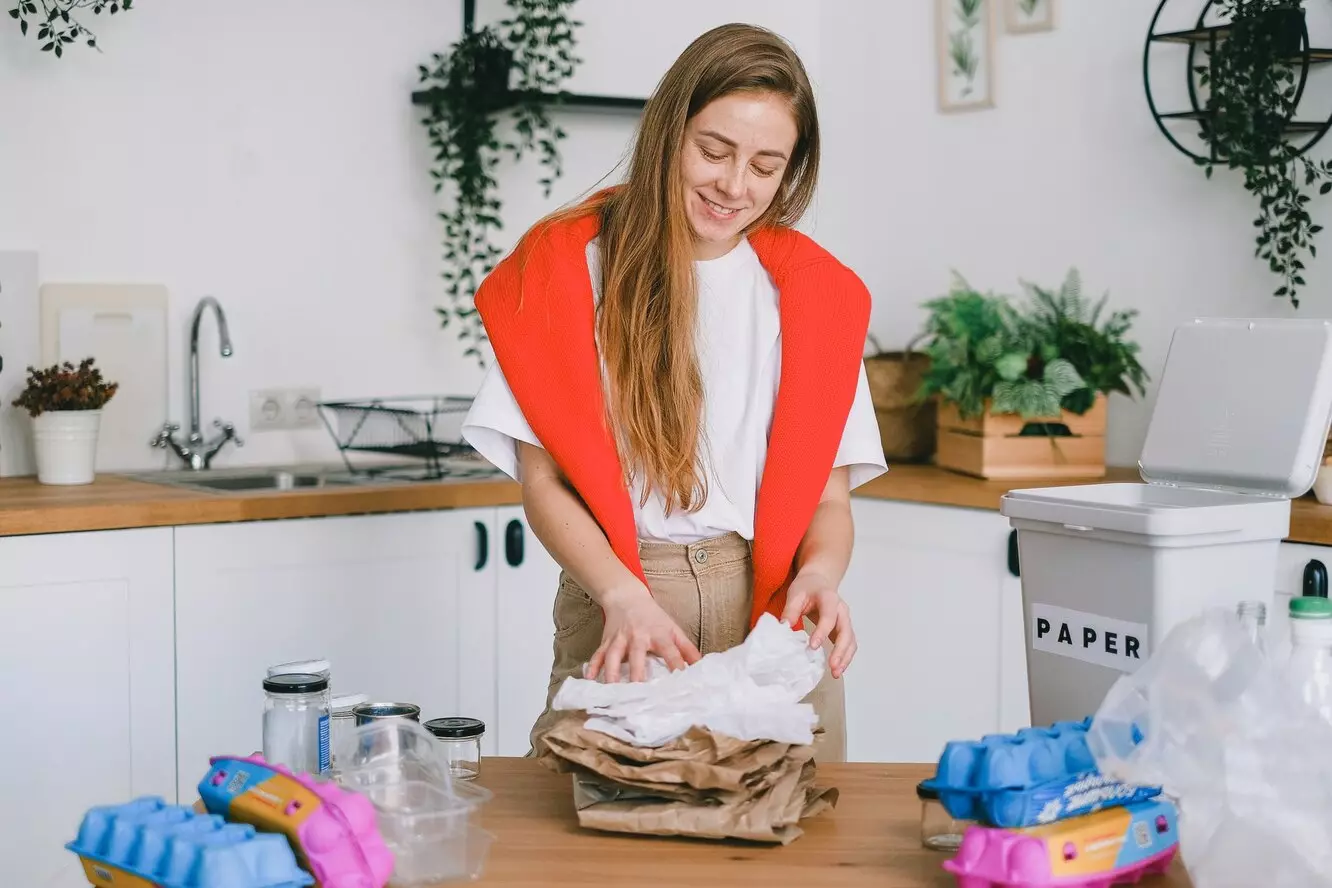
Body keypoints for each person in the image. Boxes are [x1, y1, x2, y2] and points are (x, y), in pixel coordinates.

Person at [460, 22, 887, 763]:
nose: (734, 185)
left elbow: (829, 498)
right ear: (669, 133)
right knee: (594, 850)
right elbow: (544, 482)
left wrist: (819, 576)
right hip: (625, 595)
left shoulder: (819, 296)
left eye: (764, 165)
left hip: (774, 609)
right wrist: (621, 596)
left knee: (791, 841)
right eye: (714, 151)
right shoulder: (567, 268)